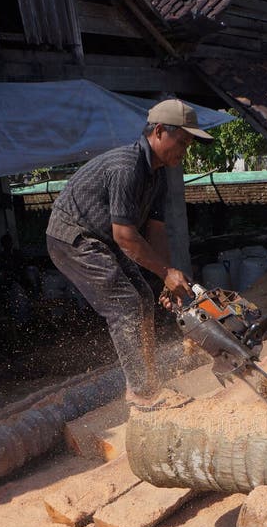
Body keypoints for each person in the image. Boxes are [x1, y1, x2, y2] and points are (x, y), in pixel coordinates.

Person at [46, 98, 214, 408]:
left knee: (142, 296)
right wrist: (166, 272)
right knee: (125, 303)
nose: (184, 151)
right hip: (73, 238)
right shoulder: (128, 166)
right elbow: (124, 235)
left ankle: (148, 382)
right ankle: (142, 394)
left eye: (189, 145)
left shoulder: (158, 174)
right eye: (182, 141)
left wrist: (166, 277)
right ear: (160, 131)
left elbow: (157, 231)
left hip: (103, 240)